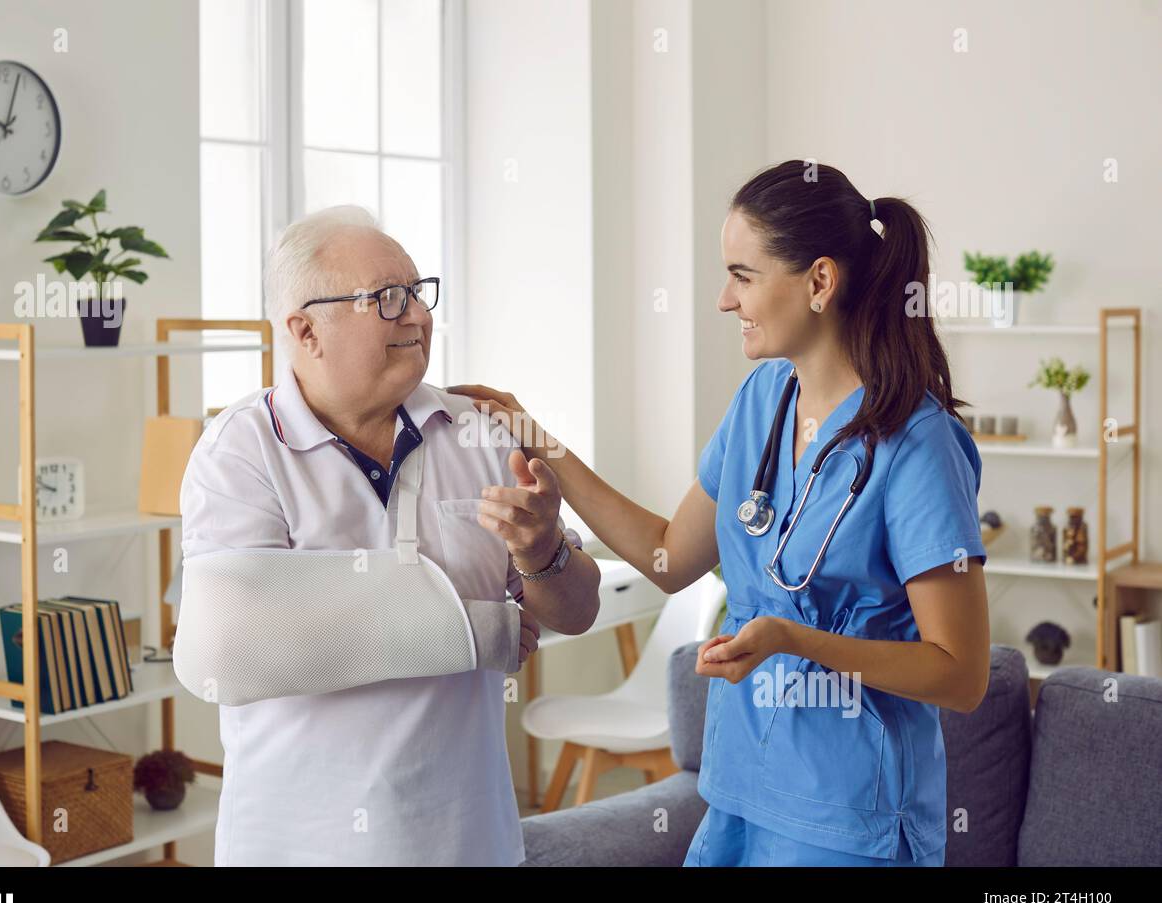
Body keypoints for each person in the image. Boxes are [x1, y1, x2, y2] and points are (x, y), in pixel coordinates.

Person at [449, 159, 990, 867]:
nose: (723, 300)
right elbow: (669, 557)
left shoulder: (919, 447)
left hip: (849, 816)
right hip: (741, 787)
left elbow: (961, 674)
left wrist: (796, 640)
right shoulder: (763, 400)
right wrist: (537, 439)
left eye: (743, 275)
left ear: (819, 281)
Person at [179, 205, 600, 866]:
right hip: (297, 844)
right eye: (387, 298)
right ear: (305, 331)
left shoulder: (478, 430)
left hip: (470, 841)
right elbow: (226, 654)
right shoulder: (240, 452)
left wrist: (544, 552)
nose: (418, 315)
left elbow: (578, 613)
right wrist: (478, 629)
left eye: (418, 292)